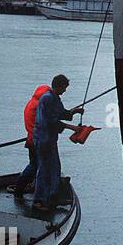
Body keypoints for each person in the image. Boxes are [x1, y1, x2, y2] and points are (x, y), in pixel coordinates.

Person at [32, 74, 84, 209]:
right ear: (59, 86)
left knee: (55, 167)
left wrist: (74, 111)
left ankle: (52, 196)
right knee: (44, 169)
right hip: (43, 139)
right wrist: (72, 127)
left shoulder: (54, 98)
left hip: (50, 139)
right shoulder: (48, 99)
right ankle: (39, 200)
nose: (65, 90)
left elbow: (61, 113)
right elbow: (51, 121)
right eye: (64, 88)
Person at [10, 84, 52, 197]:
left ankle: (22, 187)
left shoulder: (31, 103)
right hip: (37, 140)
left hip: (31, 139)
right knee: (35, 166)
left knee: (34, 165)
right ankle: (20, 188)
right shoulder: (39, 106)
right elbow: (49, 121)